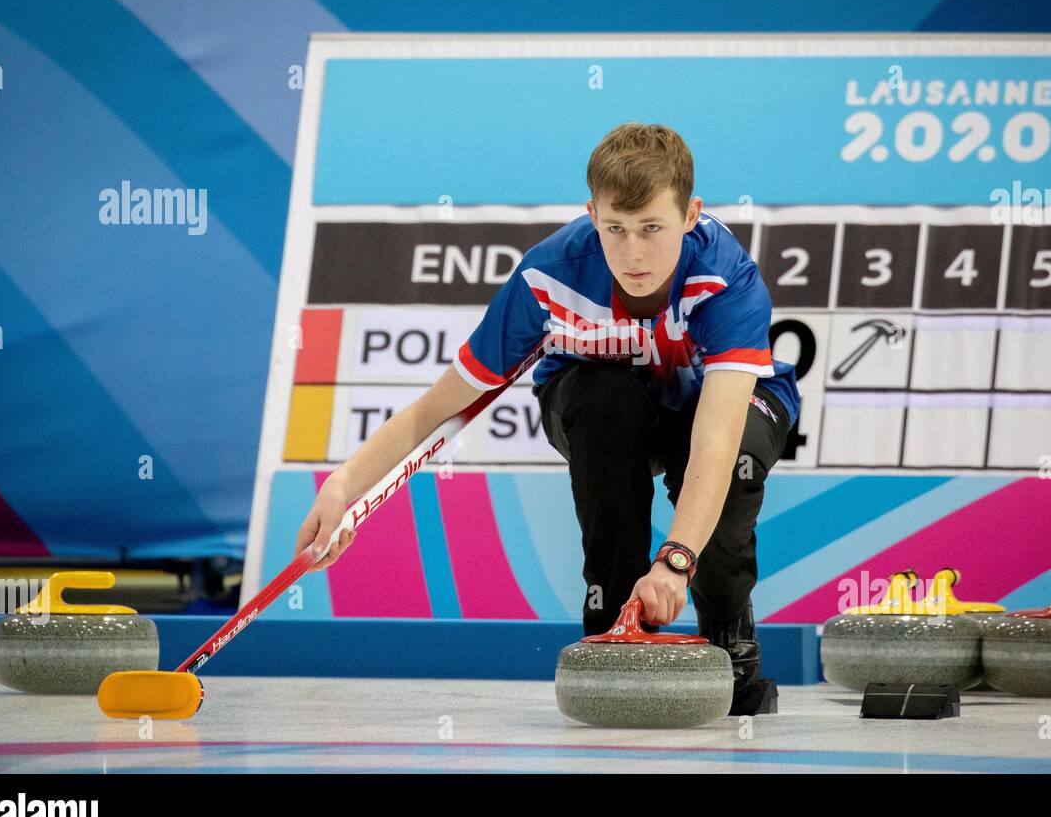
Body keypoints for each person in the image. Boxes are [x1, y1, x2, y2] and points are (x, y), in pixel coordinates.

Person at [295, 122, 800, 715]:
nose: (633, 253)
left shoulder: (726, 276)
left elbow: (714, 434)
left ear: (692, 215)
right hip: (609, 416)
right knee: (603, 398)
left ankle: (729, 637)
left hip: (717, 412)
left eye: (652, 229)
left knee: (731, 454)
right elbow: (435, 409)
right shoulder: (548, 274)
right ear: (591, 214)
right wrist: (342, 485)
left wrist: (675, 561)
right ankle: (615, 628)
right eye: (614, 229)